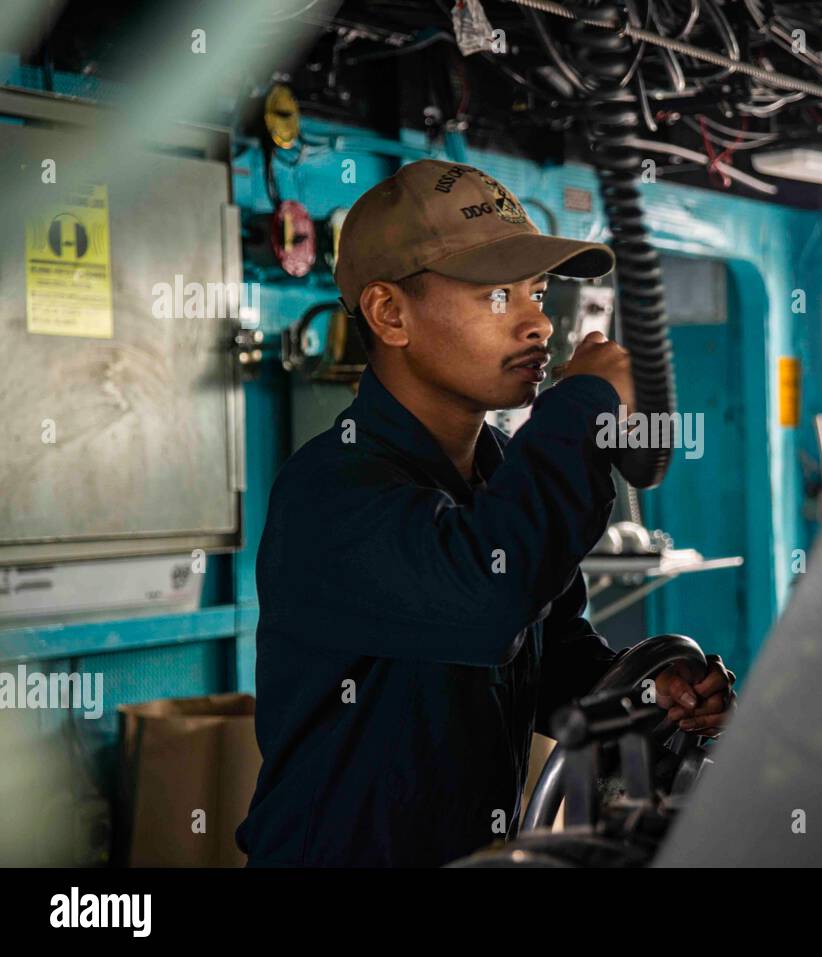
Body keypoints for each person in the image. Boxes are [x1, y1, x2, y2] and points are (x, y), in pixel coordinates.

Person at [235, 159, 736, 866]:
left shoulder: (498, 467)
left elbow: (548, 656)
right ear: (389, 314)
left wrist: (653, 693)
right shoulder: (332, 489)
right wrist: (583, 406)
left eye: (537, 292)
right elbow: (485, 603)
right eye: (499, 295)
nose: (539, 321)